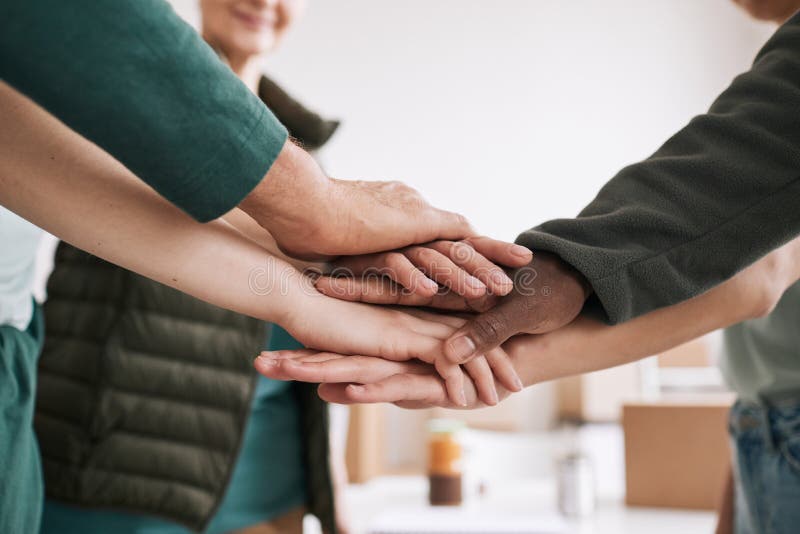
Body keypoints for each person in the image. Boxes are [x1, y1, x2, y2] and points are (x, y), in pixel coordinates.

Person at [0, 79, 526, 534]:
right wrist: (318, 228)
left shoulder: (301, 152)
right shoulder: (124, 93)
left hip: (262, 487)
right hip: (123, 479)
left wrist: (324, 253)